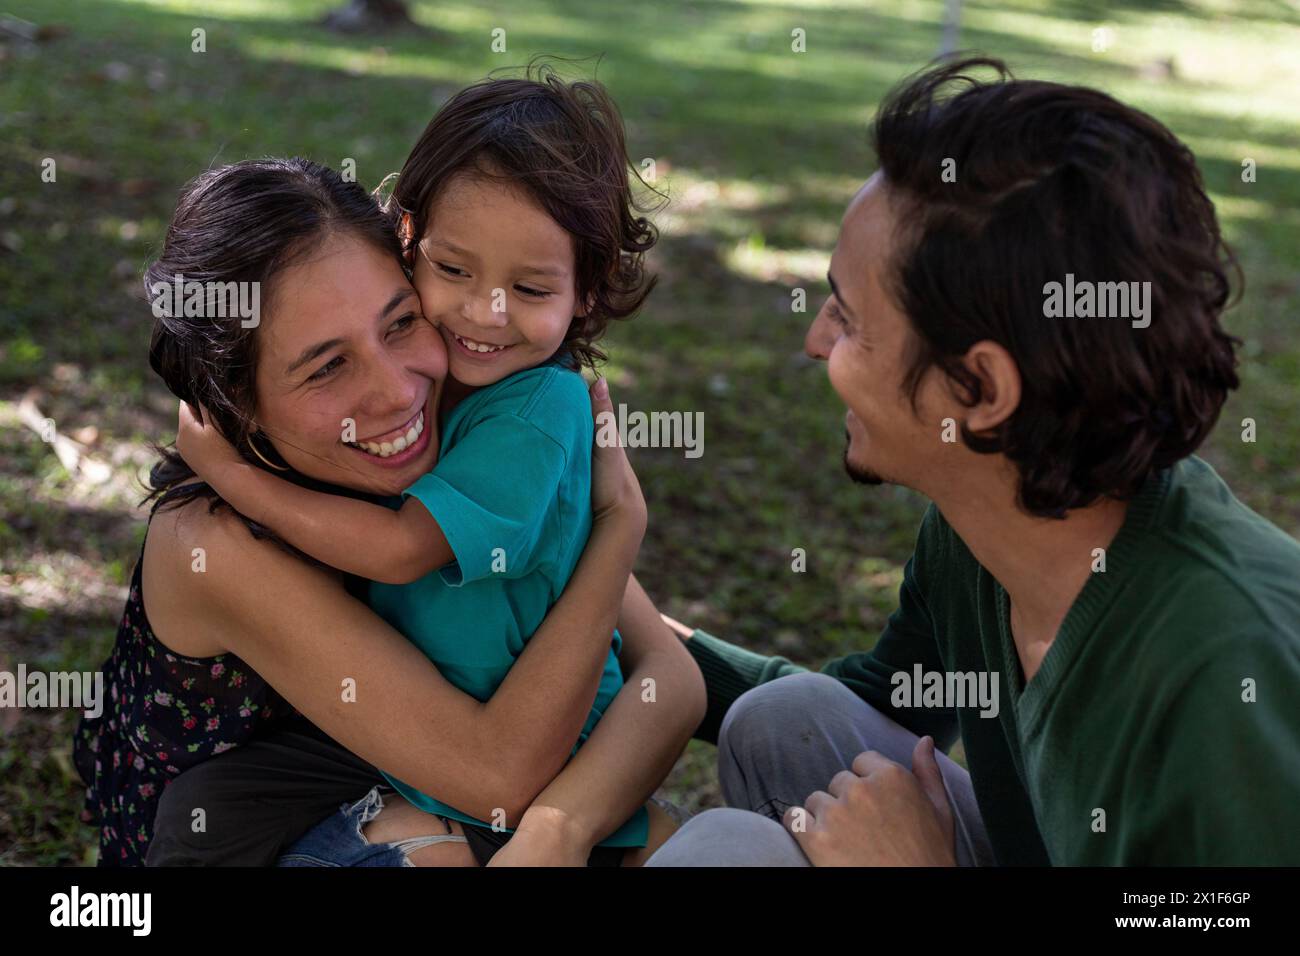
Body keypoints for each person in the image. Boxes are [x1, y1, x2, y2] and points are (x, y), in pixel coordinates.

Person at [647, 56, 1300, 867]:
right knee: (785, 721)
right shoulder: (983, 527)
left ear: (982, 389)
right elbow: (878, 703)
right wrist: (615, 617)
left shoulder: (1225, 677)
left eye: (847, 318)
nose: (815, 342)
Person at [73, 155, 703, 867]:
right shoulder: (216, 541)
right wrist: (617, 529)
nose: (398, 393)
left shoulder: (458, 431)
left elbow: (670, 672)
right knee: (441, 847)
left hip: (410, 791)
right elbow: (500, 777)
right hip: (242, 845)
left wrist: (563, 827)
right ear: (234, 404)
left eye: (400, 323)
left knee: (668, 842)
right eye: (327, 366)